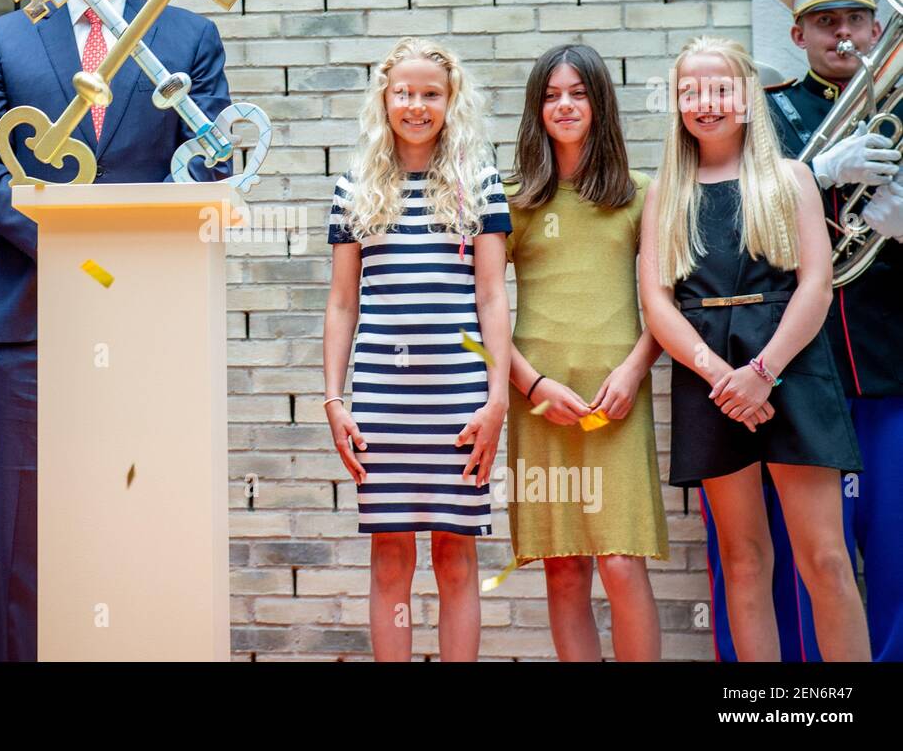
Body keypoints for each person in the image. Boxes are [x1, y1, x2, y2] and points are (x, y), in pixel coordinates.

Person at [0, 0, 232, 661]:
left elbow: (205, 165)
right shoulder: (5, 40)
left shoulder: (187, 40)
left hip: (150, 318)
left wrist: (129, 257)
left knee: (142, 512)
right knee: (26, 523)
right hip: (34, 314)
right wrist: (76, 252)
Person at [640, 35, 870, 661]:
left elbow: (817, 287)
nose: (705, 102)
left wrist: (762, 373)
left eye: (719, 88)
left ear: (746, 97)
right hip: (709, 376)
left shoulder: (792, 179)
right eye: (690, 90)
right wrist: (723, 378)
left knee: (825, 557)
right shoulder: (666, 192)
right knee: (743, 559)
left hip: (787, 367)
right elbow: (658, 303)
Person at [703, 0, 903, 661]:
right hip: (794, 373)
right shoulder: (773, 114)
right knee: (792, 556)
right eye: (824, 22)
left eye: (854, 18)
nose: (841, 34)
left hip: (889, 364)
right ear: (799, 35)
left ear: (879, 27)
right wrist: (818, 173)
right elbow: (734, 218)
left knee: (894, 549)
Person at [323, 37, 511, 661]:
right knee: (389, 560)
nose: (416, 105)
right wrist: (334, 398)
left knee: (456, 556)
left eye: (431, 93)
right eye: (404, 92)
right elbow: (342, 303)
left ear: (451, 101)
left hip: (459, 396)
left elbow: (491, 299)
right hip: (381, 395)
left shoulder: (479, 184)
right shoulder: (355, 187)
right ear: (385, 98)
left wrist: (497, 399)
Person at [503, 44, 668, 661]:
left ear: (600, 103)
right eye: (551, 95)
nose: (565, 105)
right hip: (540, 402)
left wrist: (632, 371)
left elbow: (664, 308)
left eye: (578, 93)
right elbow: (483, 315)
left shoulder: (640, 194)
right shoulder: (513, 197)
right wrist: (532, 386)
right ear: (536, 109)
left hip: (615, 402)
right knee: (563, 569)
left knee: (622, 563)